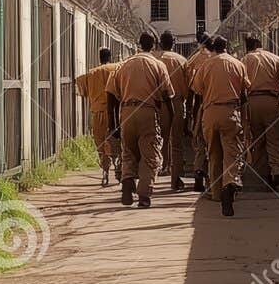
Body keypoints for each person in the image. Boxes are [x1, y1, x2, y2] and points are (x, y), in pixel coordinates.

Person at [104, 33, 174, 208]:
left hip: (127, 112)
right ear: (154, 46)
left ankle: (128, 179)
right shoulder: (158, 65)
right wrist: (169, 121)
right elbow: (167, 96)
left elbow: (110, 96)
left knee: (128, 151)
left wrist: (113, 125)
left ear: (138, 44)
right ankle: (144, 195)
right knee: (149, 155)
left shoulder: (122, 65)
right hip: (148, 111)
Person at [190, 35, 250, 216]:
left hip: (210, 112)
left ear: (213, 48)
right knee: (231, 153)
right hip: (230, 111)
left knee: (214, 153)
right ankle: (229, 183)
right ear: (227, 47)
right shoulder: (238, 64)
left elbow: (197, 90)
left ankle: (216, 192)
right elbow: (244, 92)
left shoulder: (205, 65)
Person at [240, 35, 279, 190]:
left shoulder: (245, 60)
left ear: (248, 47)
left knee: (258, 139)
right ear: (260, 44)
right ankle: (276, 170)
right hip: (272, 101)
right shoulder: (275, 59)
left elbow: (241, 84)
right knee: (273, 138)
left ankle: (264, 176)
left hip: (253, 101)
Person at [74, 48, 120, 186]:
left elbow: (80, 87)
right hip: (116, 113)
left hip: (98, 113)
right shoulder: (116, 69)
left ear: (100, 58)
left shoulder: (92, 73)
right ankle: (118, 164)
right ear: (110, 57)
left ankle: (105, 171)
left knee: (101, 143)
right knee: (117, 141)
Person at [155, 31, 192, 193]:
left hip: (157, 104)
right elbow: (189, 86)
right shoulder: (181, 60)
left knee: (159, 138)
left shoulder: (154, 60)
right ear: (174, 43)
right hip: (176, 102)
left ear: (160, 43)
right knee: (176, 142)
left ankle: (160, 168)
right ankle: (175, 177)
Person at [183, 30, 213, 191]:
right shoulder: (220, 59)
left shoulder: (196, 59)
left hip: (202, 105)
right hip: (219, 104)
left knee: (201, 144)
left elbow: (192, 88)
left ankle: (199, 173)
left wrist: (190, 113)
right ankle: (214, 180)